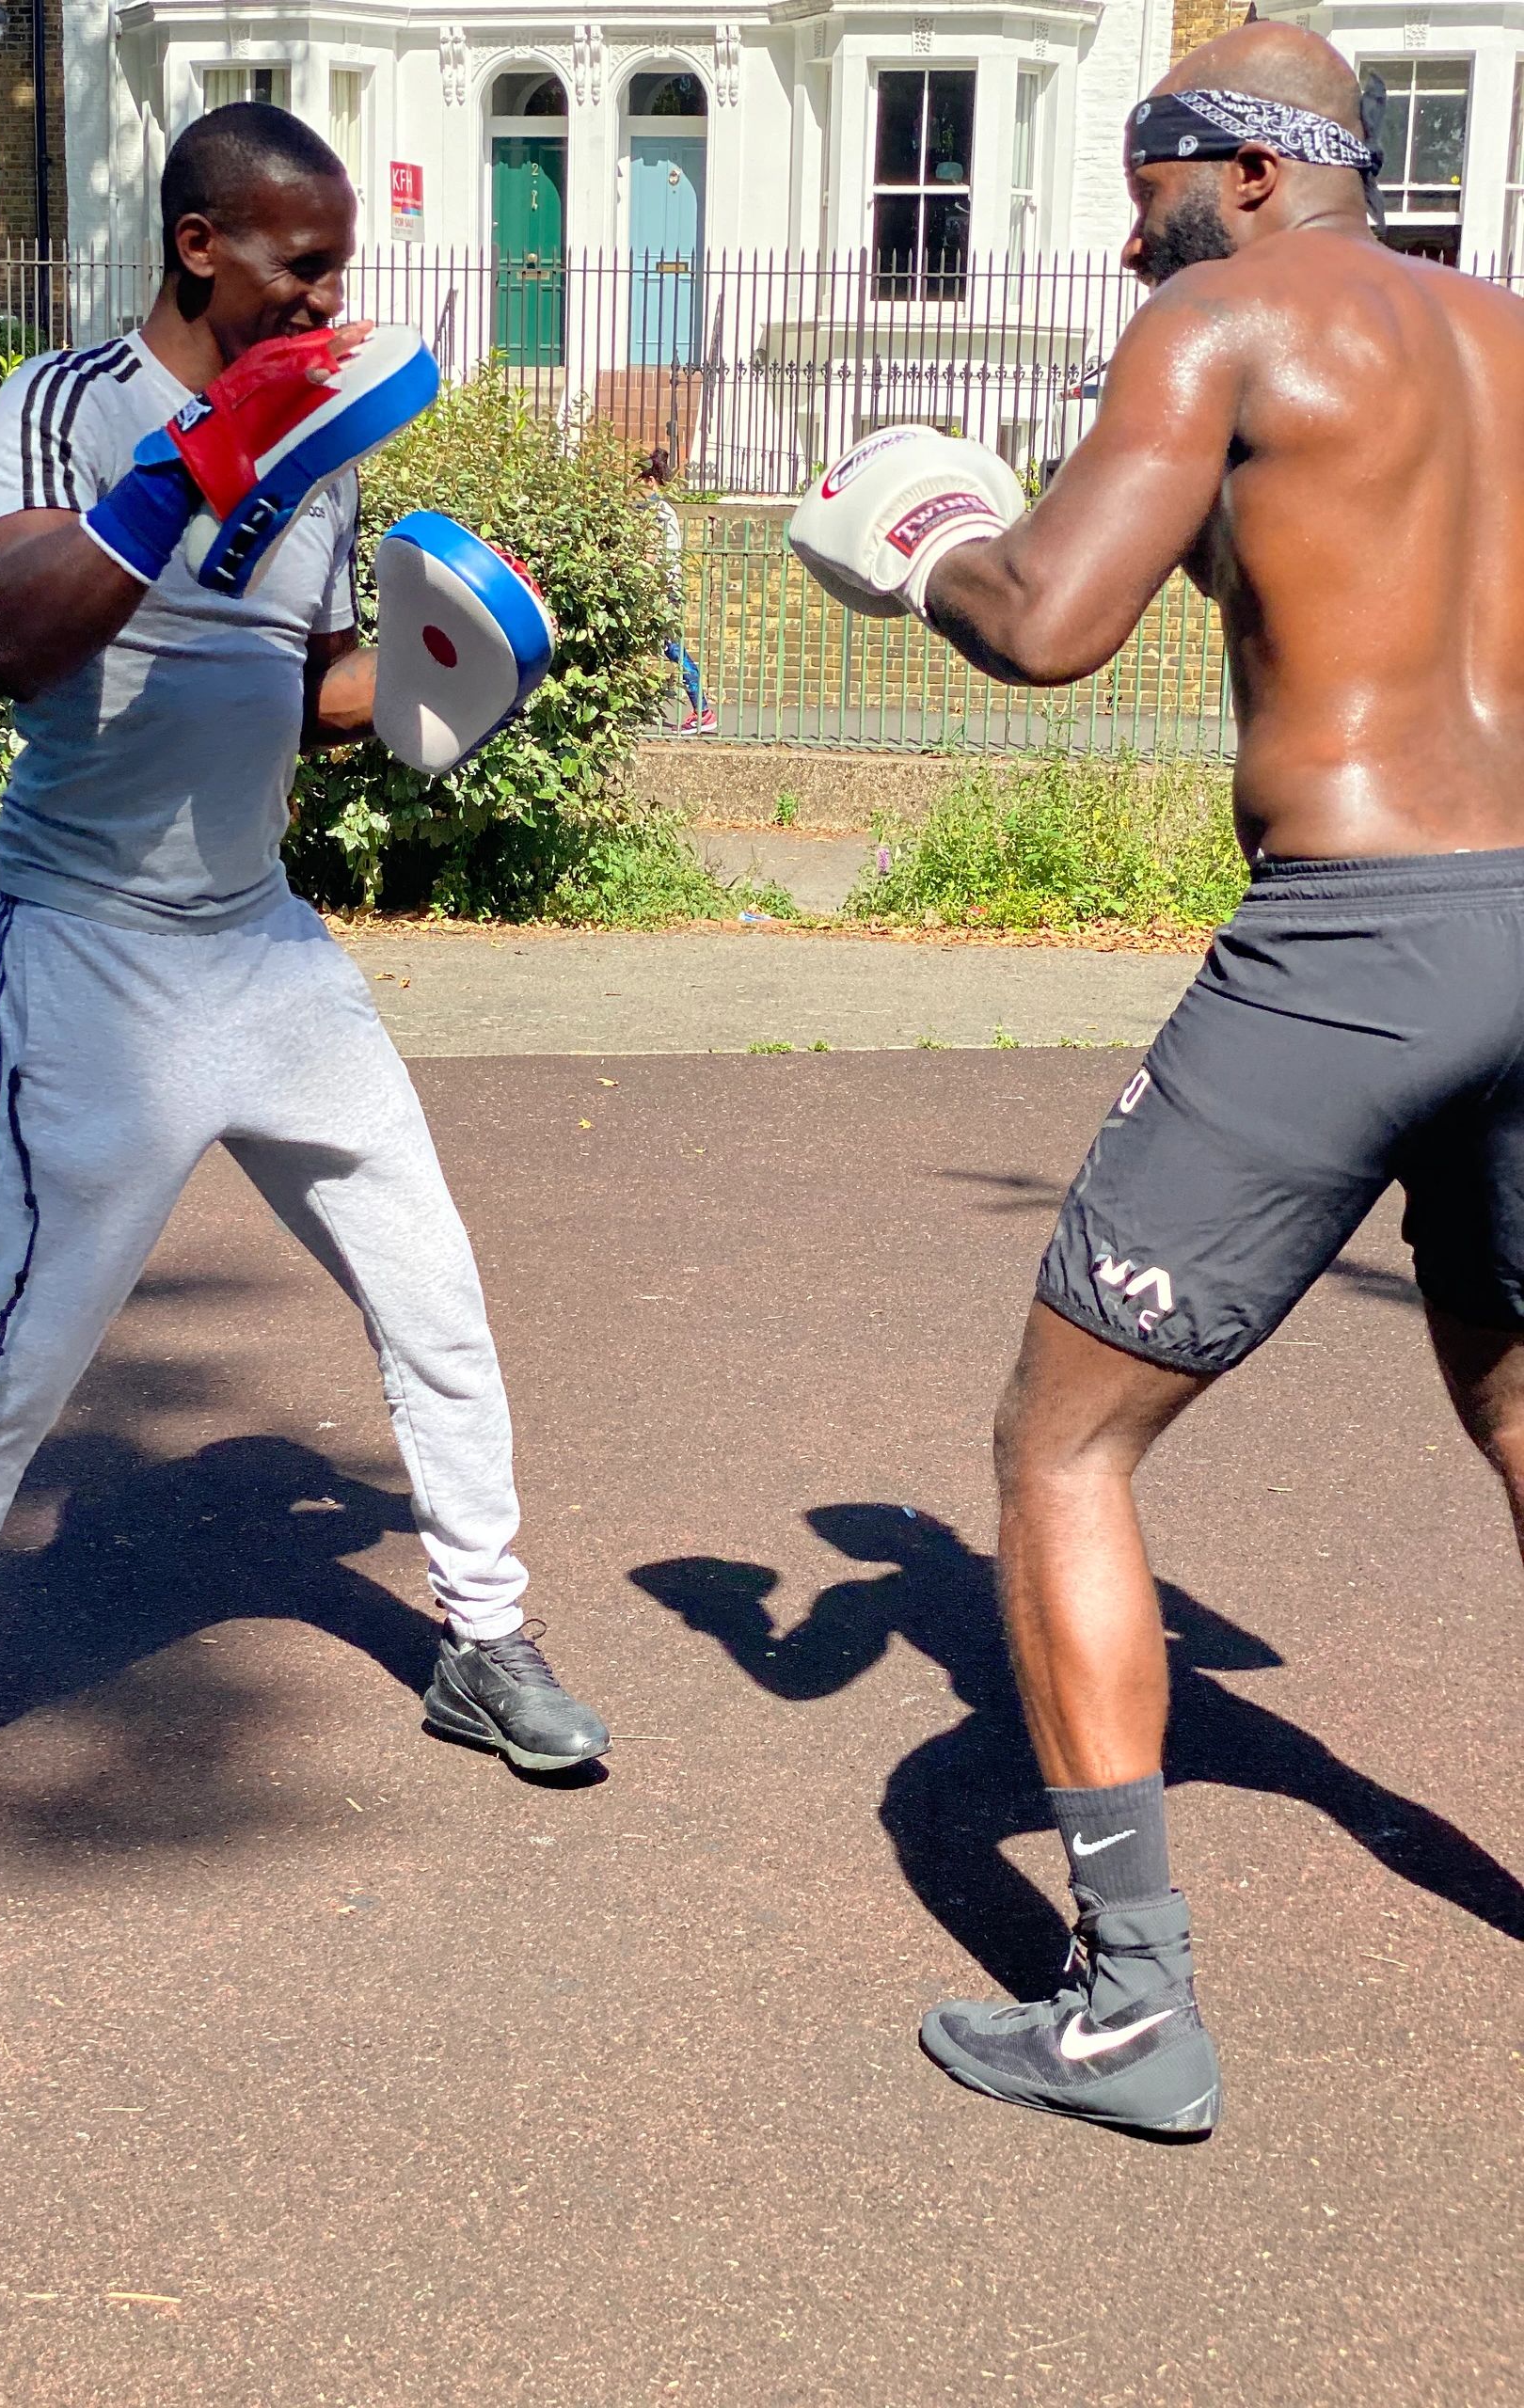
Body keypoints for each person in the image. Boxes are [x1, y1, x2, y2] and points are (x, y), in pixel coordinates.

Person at [788, 21, 1524, 2137]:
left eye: (1150, 183)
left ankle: (1127, 2006)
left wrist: (924, 539)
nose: (1131, 234)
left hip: (1357, 942)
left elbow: (1050, 622)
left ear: (1257, 170)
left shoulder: (1224, 317)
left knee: (1063, 1448)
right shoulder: (1500, 338)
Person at [0, 103, 609, 1840]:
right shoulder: (61, 403)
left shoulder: (322, 452)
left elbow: (321, 693)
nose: (332, 302)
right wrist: (196, 460)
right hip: (90, 954)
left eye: (345, 269)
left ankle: (486, 1641)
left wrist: (459, 674)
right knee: (21, 1349)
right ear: (204, 245)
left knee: (436, 1292)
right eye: (305, 264)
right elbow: (17, 644)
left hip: (262, 948)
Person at [638, 446, 717, 735]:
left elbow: (650, 555)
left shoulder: (657, 512)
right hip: (662, 591)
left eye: (639, 481)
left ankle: (704, 711)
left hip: (660, 593)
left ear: (650, 481)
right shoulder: (660, 510)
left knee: (671, 649)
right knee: (648, 648)